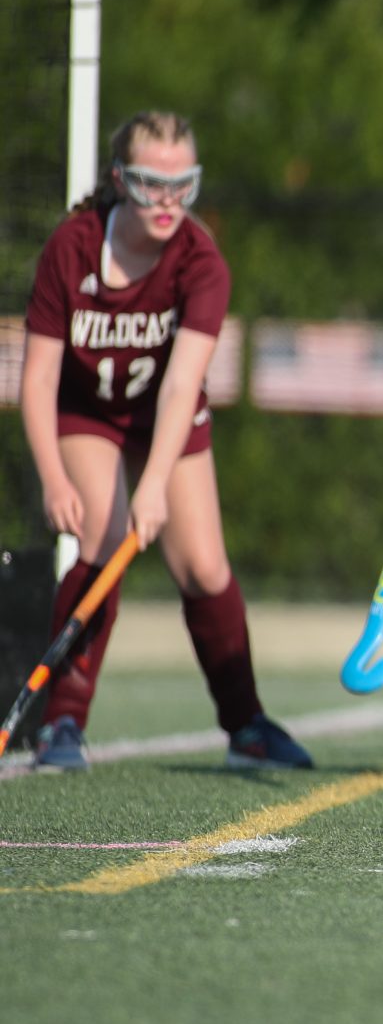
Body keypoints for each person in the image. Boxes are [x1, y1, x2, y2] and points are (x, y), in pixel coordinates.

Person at [18, 111, 312, 772]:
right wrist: (53, 477)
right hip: (86, 409)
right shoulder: (72, 246)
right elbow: (37, 377)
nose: (168, 202)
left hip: (165, 417)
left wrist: (155, 486)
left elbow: (183, 386)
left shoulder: (201, 261)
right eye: (152, 184)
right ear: (121, 179)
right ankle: (63, 719)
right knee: (103, 536)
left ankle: (246, 724)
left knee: (205, 566)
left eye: (184, 185)